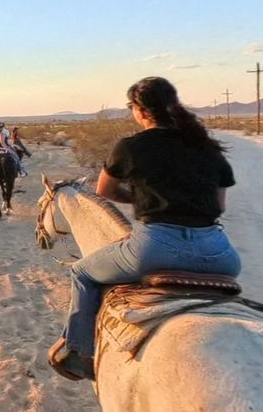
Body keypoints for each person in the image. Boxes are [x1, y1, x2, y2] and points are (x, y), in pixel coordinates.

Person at [49, 76, 240, 381]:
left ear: (139, 110)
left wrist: (141, 199)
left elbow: (105, 191)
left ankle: (79, 352)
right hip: (220, 254)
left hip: (156, 249)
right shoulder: (208, 147)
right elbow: (219, 206)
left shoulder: (131, 147)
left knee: (81, 272)